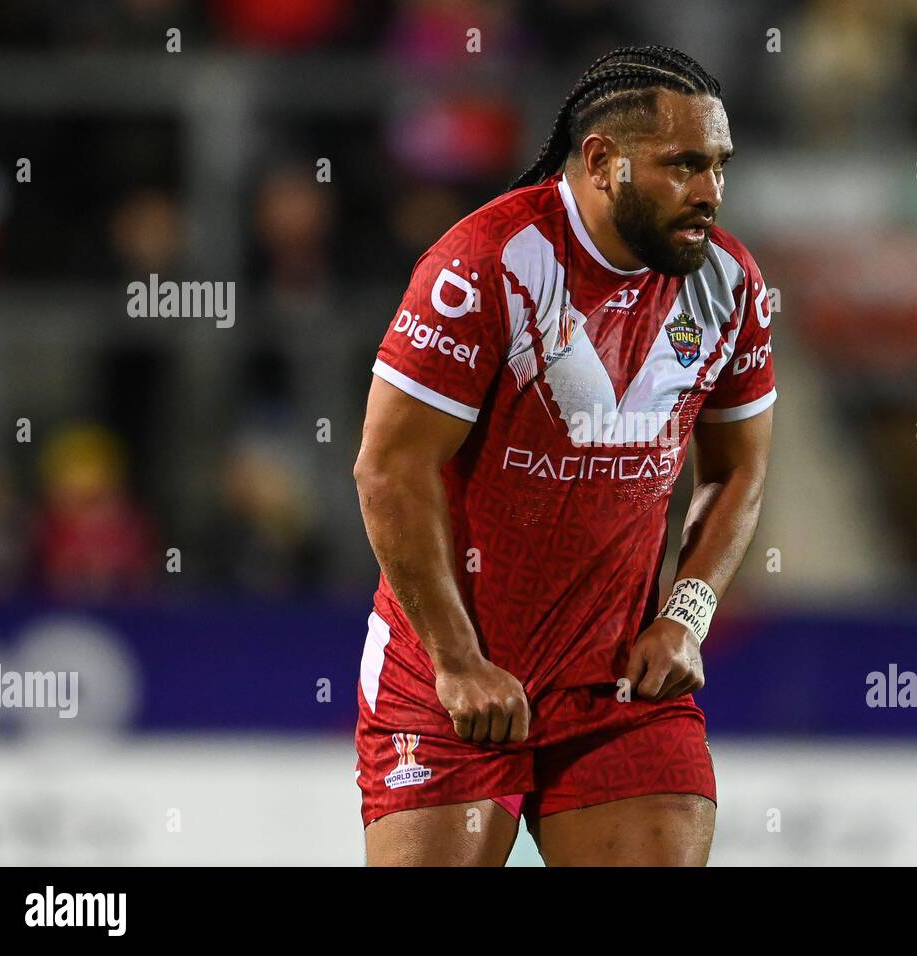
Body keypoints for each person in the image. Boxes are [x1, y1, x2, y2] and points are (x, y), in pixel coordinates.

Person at [353, 45, 775, 866]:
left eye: (719, 166)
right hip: (451, 681)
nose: (710, 194)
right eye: (683, 165)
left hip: (619, 688)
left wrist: (686, 614)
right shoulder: (483, 265)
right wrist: (457, 660)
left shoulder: (729, 283)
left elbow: (737, 470)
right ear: (601, 160)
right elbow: (387, 469)